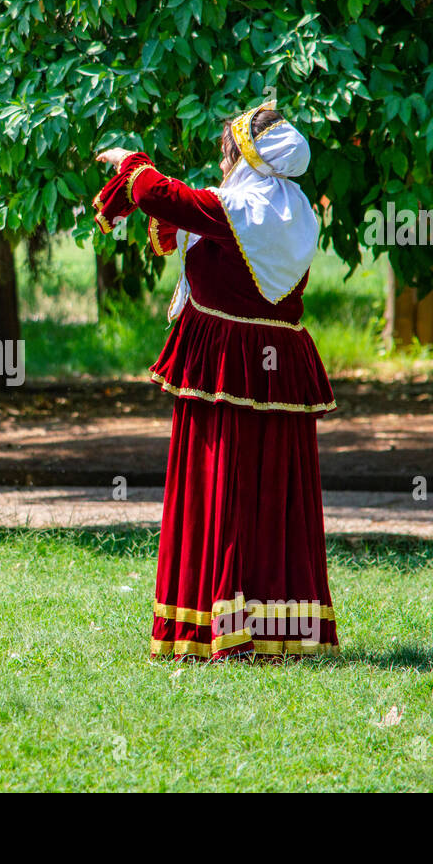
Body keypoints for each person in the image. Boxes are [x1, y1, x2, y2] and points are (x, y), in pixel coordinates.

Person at [93, 101, 339, 661]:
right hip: (272, 360)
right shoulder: (287, 207)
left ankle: (220, 622)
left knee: (222, 483)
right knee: (270, 489)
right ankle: (279, 626)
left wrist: (131, 162)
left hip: (231, 359)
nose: (222, 156)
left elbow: (164, 197)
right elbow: (186, 223)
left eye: (228, 146)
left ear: (247, 154)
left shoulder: (242, 209)